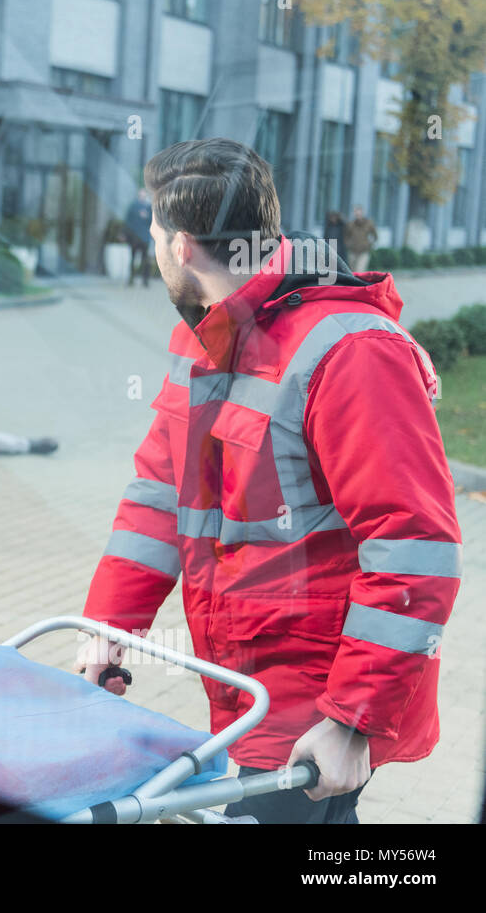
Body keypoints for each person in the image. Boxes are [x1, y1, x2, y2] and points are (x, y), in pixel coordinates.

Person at [73, 138, 461, 823]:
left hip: (315, 706)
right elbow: (161, 498)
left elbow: (414, 547)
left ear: (183, 247)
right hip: (247, 693)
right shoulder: (203, 339)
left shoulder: (351, 351)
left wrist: (351, 719)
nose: (151, 245)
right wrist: (110, 625)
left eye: (155, 233)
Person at [124, 188, 154, 287]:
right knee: (132, 258)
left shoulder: (149, 208)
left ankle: (145, 281)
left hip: (145, 238)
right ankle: (131, 279)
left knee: (145, 260)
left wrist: (147, 216)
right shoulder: (133, 206)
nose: (142, 197)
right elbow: (128, 221)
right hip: (134, 238)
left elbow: (153, 222)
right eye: (141, 195)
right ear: (138, 196)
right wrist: (126, 235)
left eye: (144, 195)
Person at [344, 204, 377, 272]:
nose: (357, 213)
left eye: (359, 211)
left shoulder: (369, 223)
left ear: (362, 212)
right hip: (352, 251)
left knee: (359, 270)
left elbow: (375, 236)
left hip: (364, 252)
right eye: (355, 211)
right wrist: (348, 244)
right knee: (352, 272)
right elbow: (346, 236)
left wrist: (369, 244)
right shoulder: (350, 224)